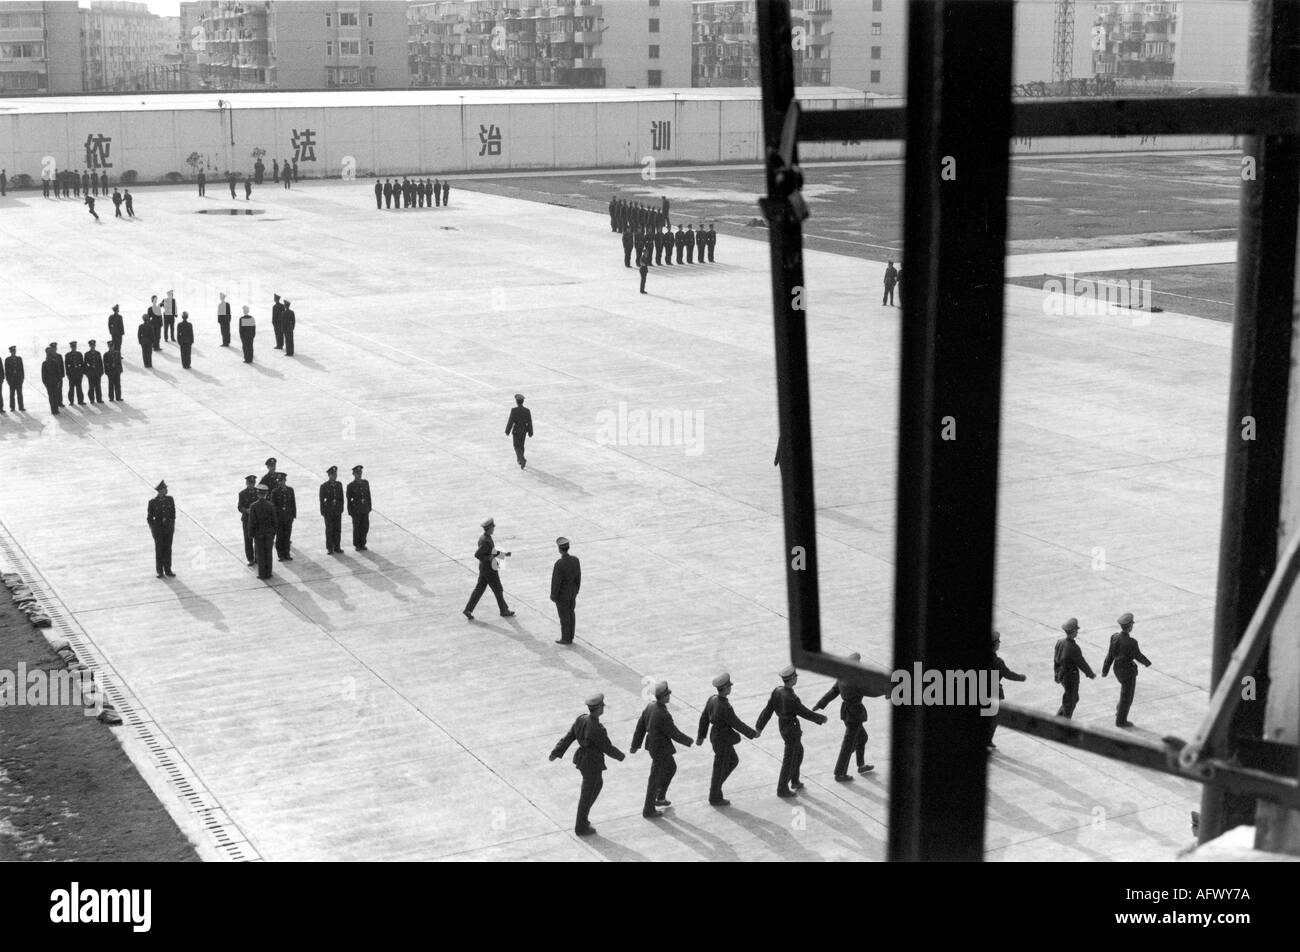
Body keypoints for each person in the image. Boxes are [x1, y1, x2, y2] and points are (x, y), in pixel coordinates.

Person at [549, 693, 625, 836]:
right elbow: (606, 747)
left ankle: (583, 818)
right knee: (587, 794)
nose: (604, 707)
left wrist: (556, 752)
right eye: (602, 705)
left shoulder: (581, 719)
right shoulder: (597, 728)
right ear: (598, 708)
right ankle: (581, 826)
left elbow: (569, 736)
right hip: (592, 762)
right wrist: (621, 756)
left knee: (597, 785)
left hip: (583, 760)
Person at [755, 665, 827, 798]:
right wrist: (820, 718)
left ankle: (795, 780)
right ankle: (782, 789)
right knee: (789, 759)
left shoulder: (777, 691)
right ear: (792, 679)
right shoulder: (791, 698)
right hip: (791, 729)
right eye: (795, 677)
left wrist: (759, 726)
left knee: (798, 752)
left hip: (783, 726)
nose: (796, 679)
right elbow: (804, 712)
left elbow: (768, 710)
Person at [629, 681, 693, 819]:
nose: (669, 696)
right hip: (660, 748)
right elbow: (673, 732)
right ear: (662, 697)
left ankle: (660, 797)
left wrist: (635, 745)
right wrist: (689, 741)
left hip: (654, 746)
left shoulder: (650, 706)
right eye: (667, 694)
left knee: (671, 768)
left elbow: (640, 727)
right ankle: (648, 809)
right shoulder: (662, 714)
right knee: (655, 778)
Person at [697, 672, 759, 806]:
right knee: (720, 768)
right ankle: (714, 795)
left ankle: (716, 789)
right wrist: (752, 733)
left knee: (732, 761)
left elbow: (704, 717)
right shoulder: (724, 706)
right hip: (723, 739)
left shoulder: (712, 699)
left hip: (717, 736)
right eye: (729, 686)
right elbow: (736, 723)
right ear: (725, 689)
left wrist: (701, 736)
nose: (731, 688)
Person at [813, 652, 874, 779]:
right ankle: (840, 773)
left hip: (847, 712)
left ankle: (861, 765)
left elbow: (833, 691)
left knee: (862, 738)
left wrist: (820, 704)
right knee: (848, 745)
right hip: (855, 714)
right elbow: (870, 690)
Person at [1101, 612, 1152, 728]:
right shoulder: (1132, 642)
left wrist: (1105, 670)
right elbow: (1138, 655)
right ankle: (1121, 721)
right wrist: (1147, 663)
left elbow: (1110, 655)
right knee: (1127, 697)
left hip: (1117, 669)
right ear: (1130, 627)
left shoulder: (1114, 637)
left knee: (1124, 693)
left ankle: (1119, 710)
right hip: (1128, 671)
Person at [462, 517, 513, 619]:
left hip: (484, 569)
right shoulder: (486, 541)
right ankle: (504, 610)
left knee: (479, 590)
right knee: (498, 589)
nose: (494, 528)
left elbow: (492, 552)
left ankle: (468, 610)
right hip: (489, 570)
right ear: (489, 528)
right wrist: (488, 558)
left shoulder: (485, 537)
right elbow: (478, 554)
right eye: (493, 527)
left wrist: (503, 555)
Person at [987, 631, 1027, 748]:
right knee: (994, 718)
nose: (999, 643)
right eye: (998, 642)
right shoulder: (997, 662)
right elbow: (1008, 674)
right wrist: (1021, 677)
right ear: (994, 645)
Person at [1053, 617, 1096, 719]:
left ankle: (1058, 719)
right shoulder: (1073, 648)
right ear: (1073, 632)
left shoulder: (1060, 642)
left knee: (1072, 698)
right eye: (1076, 630)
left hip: (1062, 675)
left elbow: (1056, 660)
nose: (1077, 631)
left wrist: (1056, 675)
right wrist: (1090, 674)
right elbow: (1081, 663)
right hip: (1071, 678)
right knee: (1070, 702)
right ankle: (1064, 724)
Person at [550, 537, 581, 645]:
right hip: (572, 592)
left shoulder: (559, 564)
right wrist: (576, 590)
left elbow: (556, 581)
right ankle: (571, 635)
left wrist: (553, 595)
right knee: (571, 613)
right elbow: (578, 577)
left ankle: (565, 638)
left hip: (562, 595)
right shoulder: (575, 560)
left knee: (564, 616)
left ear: (559, 549)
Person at [147, 481, 176, 579]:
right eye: (164, 489)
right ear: (160, 491)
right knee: (159, 550)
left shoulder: (170, 500)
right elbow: (149, 519)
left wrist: (171, 526)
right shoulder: (153, 502)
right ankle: (160, 571)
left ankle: (168, 570)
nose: (166, 490)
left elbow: (173, 515)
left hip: (168, 530)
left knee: (168, 550)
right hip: (158, 531)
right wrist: (153, 529)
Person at [248, 484, 278, 579]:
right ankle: (269, 573)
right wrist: (273, 533)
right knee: (268, 553)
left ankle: (262, 574)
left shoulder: (253, 506)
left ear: (258, 494)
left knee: (260, 554)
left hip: (259, 534)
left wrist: (251, 534)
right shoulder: (271, 505)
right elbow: (274, 521)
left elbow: (252, 522)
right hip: (269, 533)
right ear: (266, 494)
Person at [319, 466, 344, 555]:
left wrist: (341, 508)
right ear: (329, 475)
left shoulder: (339, 484)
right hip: (328, 511)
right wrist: (323, 512)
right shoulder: (324, 486)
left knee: (337, 529)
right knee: (329, 530)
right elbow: (321, 500)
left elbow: (341, 498)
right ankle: (330, 548)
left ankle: (337, 547)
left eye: (335, 474)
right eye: (333, 475)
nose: (335, 476)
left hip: (337, 510)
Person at [272, 473, 297, 561]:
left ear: (285, 481)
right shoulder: (275, 492)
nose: (280, 482)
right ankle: (280, 554)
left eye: (282, 481)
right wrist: (275, 518)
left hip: (288, 517)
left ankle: (287, 553)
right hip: (279, 518)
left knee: (287, 536)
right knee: (279, 536)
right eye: (279, 481)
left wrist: (293, 515)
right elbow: (273, 506)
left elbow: (293, 503)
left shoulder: (290, 490)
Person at [346, 464, 372, 550]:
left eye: (360, 472)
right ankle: (357, 544)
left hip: (365, 509)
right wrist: (350, 511)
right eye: (357, 473)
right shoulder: (351, 486)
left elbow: (368, 495)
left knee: (365, 527)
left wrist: (369, 507)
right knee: (357, 528)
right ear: (353, 474)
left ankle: (363, 543)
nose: (359, 474)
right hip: (356, 510)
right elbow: (349, 500)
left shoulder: (365, 483)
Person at [505, 393, 532, 468]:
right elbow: (529, 422)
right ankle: (519, 460)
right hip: (524, 430)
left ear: (516, 402)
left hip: (516, 430)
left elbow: (510, 421)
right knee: (521, 445)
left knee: (516, 446)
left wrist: (507, 430)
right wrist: (530, 432)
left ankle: (522, 460)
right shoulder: (527, 411)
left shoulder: (514, 410)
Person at [237, 475, 259, 566]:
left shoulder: (258, 492)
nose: (251, 485)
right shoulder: (242, 494)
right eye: (250, 483)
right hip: (247, 519)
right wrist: (246, 510)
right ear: (246, 483)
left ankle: (258, 557)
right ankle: (250, 559)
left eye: (253, 483)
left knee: (258, 540)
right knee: (248, 540)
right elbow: (239, 507)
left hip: (257, 520)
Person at [41, 347, 62, 415]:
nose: (49, 355)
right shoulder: (45, 363)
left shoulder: (55, 362)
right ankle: (53, 410)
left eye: (50, 353)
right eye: (48, 353)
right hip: (49, 383)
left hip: (55, 382)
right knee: (51, 396)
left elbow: (58, 373)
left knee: (55, 396)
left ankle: (56, 409)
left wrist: (59, 381)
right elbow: (43, 375)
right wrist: (45, 383)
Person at [64, 341, 84, 406]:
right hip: (71, 374)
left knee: (79, 388)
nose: (74, 348)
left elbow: (82, 364)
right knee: (71, 389)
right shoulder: (68, 355)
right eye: (72, 346)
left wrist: (82, 373)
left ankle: (80, 401)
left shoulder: (79, 354)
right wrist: (68, 374)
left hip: (78, 374)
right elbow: (66, 366)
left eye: (75, 346)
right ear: (71, 347)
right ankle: (71, 401)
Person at [4, 345, 23, 412]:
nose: (13, 352)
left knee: (19, 393)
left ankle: (21, 407)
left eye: (14, 351)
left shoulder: (19, 358)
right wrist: (8, 380)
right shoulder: (7, 360)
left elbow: (22, 369)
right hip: (11, 380)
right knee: (12, 394)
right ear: (10, 352)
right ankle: (12, 407)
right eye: (12, 351)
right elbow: (6, 371)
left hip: (18, 379)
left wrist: (22, 378)